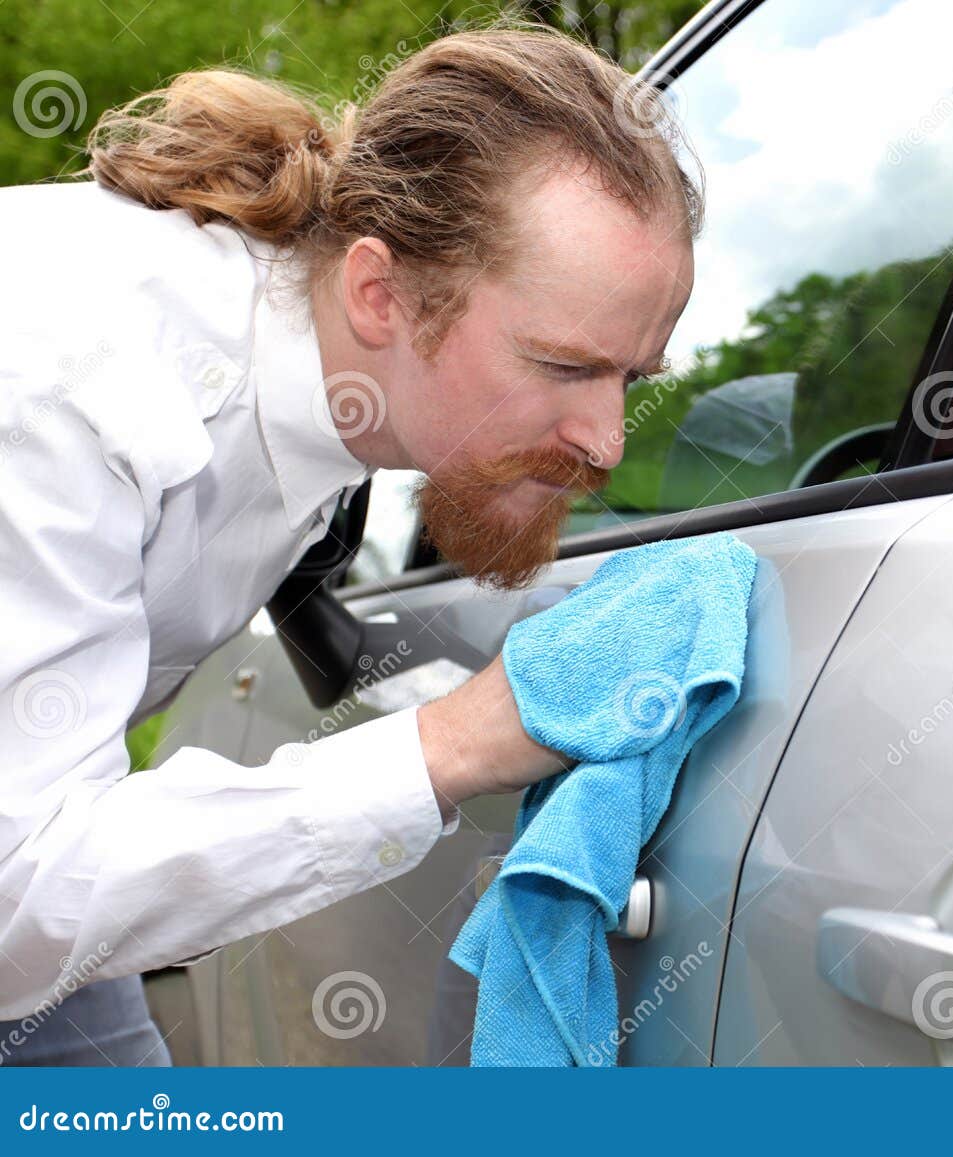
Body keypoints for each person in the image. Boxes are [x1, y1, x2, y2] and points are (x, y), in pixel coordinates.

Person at [0, 22, 700, 1064]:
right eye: (563, 366)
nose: (606, 441)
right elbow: (19, 891)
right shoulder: (67, 378)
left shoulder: (332, 359)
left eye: (631, 378)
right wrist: (455, 741)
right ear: (381, 293)